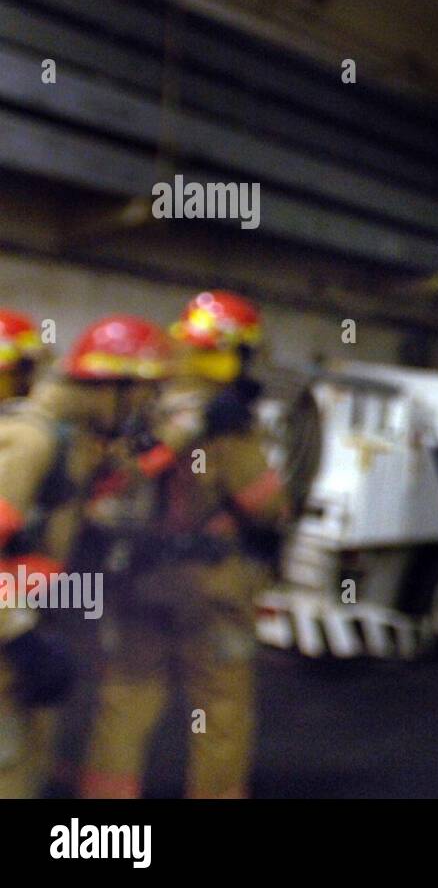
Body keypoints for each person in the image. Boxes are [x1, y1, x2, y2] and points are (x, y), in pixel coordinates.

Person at [80, 292, 289, 799]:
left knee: (126, 698)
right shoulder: (228, 427)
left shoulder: (149, 410)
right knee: (220, 708)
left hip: (138, 575)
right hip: (211, 588)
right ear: (237, 354)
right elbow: (266, 509)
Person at [0, 314, 173, 798]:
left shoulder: (66, 440)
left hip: (29, 633)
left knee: (26, 768)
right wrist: (18, 637)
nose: (146, 407)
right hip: (10, 642)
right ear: (110, 386)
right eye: (142, 394)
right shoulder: (31, 440)